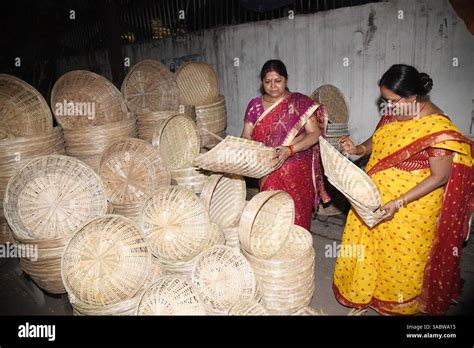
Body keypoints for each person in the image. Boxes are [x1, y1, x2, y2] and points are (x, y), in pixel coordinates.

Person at [333, 64, 473, 315]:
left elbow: (441, 176)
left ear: (412, 97)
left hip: (411, 205)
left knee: (399, 257)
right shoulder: (396, 111)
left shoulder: (436, 129)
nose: (387, 107)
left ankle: (396, 302)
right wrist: (359, 150)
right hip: (374, 196)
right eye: (384, 100)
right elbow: (377, 140)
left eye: (391, 101)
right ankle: (366, 292)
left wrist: (399, 202)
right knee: (370, 249)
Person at [241, 59, 330, 231]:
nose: (273, 86)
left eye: (278, 81)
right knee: (272, 212)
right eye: (267, 82)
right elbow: (246, 136)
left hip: (297, 168)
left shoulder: (299, 103)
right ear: (262, 83)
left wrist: (289, 150)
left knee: (297, 213)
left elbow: (314, 134)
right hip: (268, 167)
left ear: (286, 80)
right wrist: (260, 151)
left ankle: (298, 249)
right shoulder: (255, 106)